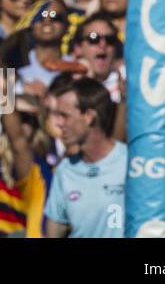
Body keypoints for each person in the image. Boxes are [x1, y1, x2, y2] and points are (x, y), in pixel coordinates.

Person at [44, 76, 127, 238]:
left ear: (89, 116)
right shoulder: (65, 171)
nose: (59, 123)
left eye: (65, 115)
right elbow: (54, 232)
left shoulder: (130, 163)